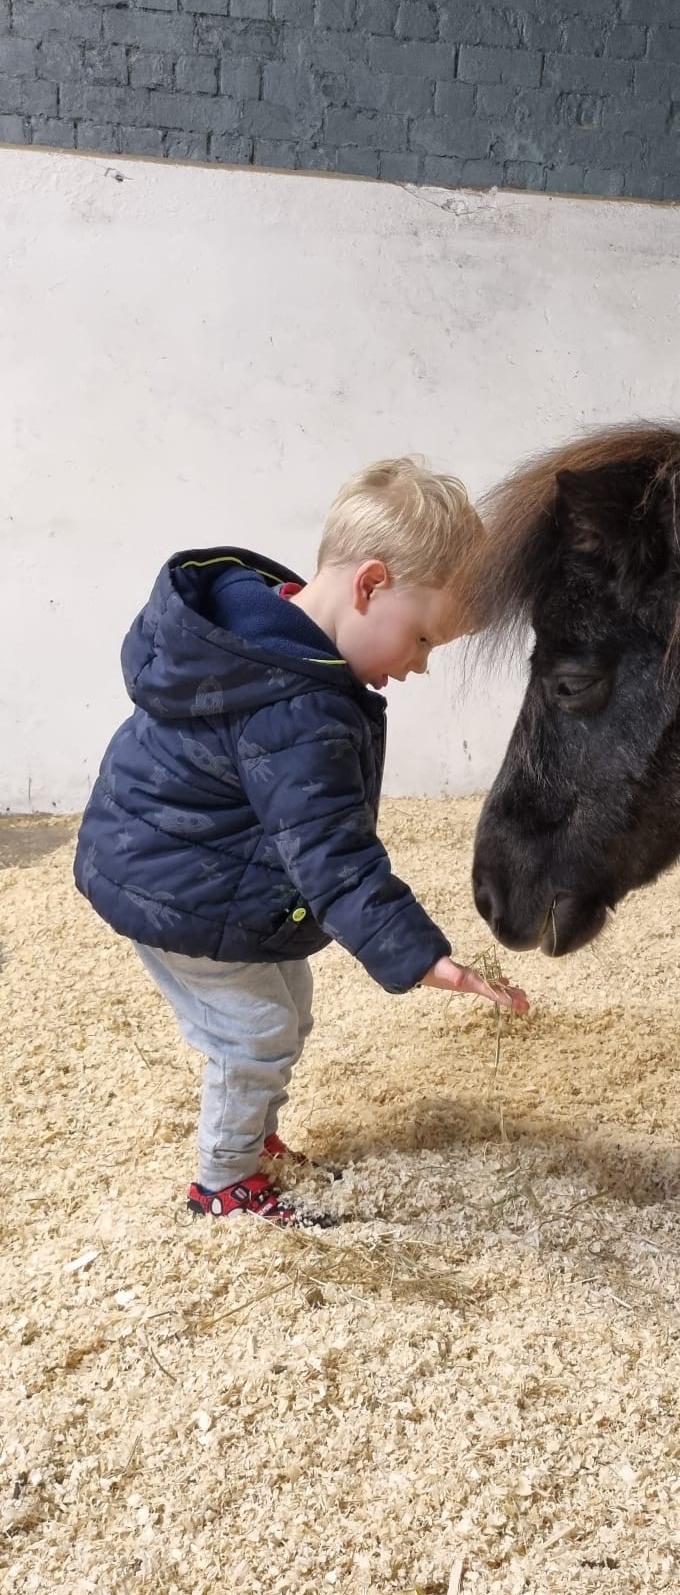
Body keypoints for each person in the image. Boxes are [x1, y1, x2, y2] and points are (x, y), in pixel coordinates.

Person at [74, 457, 528, 1228]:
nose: (418, 667)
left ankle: (250, 1140)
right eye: (422, 639)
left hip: (178, 858)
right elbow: (331, 852)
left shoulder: (256, 627)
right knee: (255, 1033)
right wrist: (422, 957)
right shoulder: (297, 707)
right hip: (176, 885)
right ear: (370, 585)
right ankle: (223, 1186)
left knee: (287, 1003)